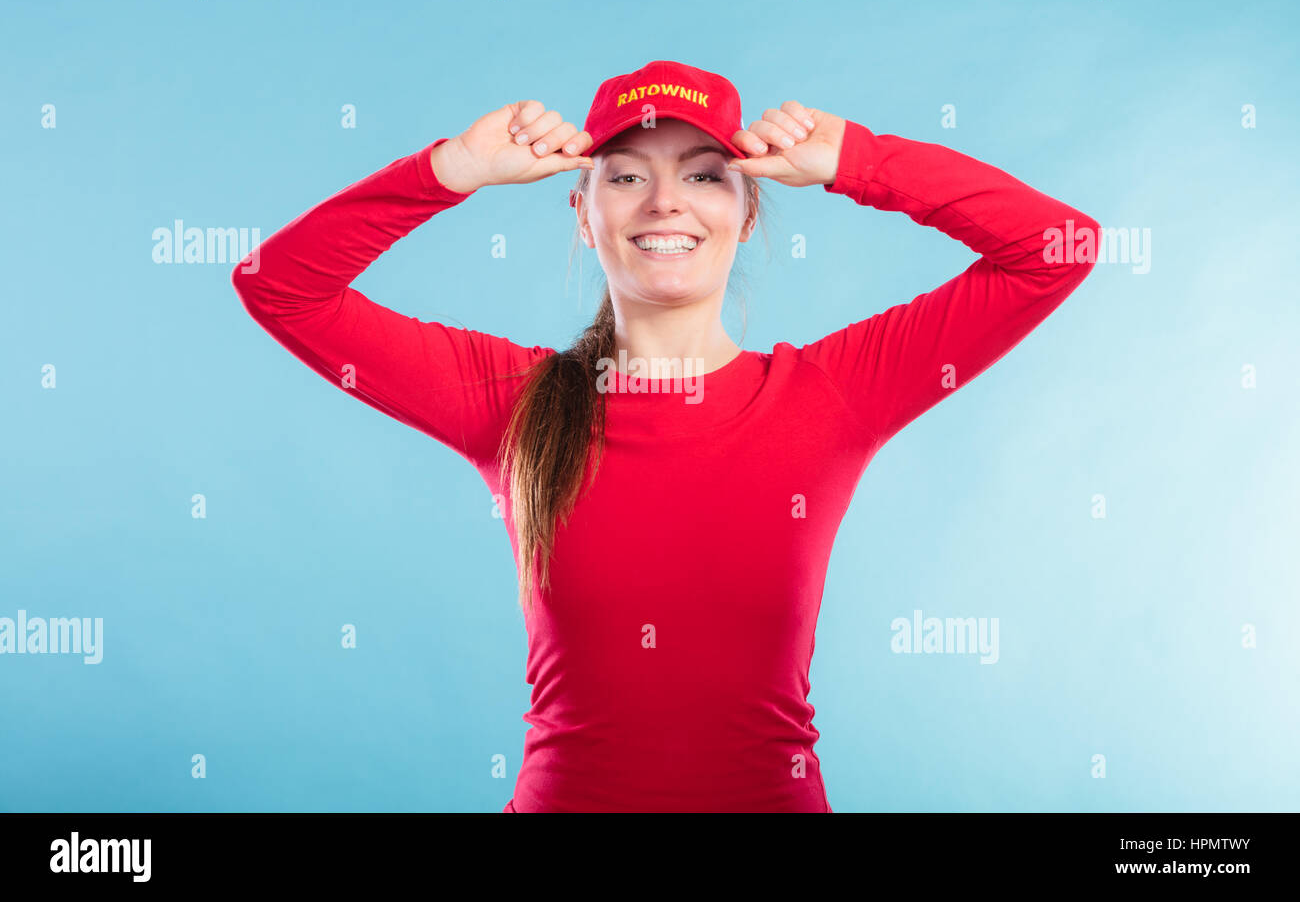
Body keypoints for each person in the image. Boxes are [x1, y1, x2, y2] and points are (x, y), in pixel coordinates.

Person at [231, 60, 1100, 812]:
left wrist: (859, 161)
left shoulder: (828, 396)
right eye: (625, 176)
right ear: (583, 212)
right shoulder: (513, 401)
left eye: (703, 174)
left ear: (748, 212)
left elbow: (1056, 248)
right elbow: (279, 287)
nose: (664, 203)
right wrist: (451, 168)